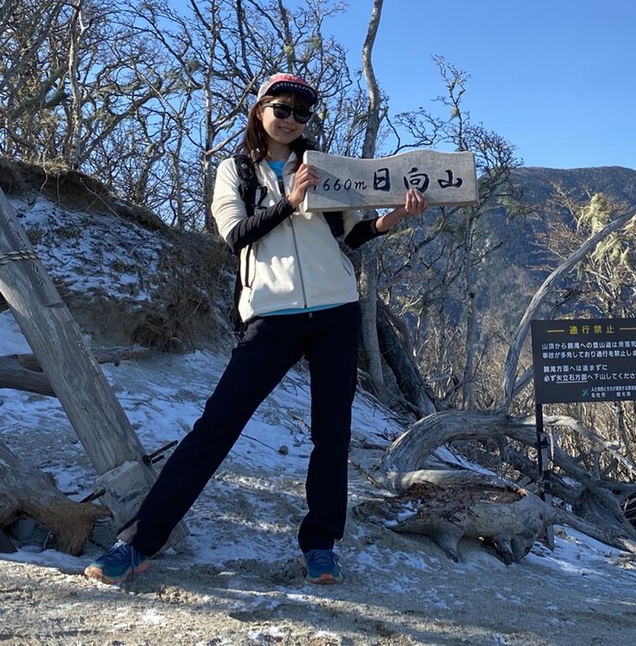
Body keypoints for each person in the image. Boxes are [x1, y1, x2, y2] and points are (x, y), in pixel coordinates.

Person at [84, 72, 427, 586]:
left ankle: (321, 545)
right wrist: (288, 201)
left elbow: (353, 235)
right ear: (260, 109)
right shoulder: (235, 171)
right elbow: (234, 234)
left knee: (332, 435)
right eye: (282, 109)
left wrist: (396, 216)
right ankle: (138, 543)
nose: (292, 120)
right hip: (271, 314)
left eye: (302, 114)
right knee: (216, 427)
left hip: (337, 312)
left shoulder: (323, 168)